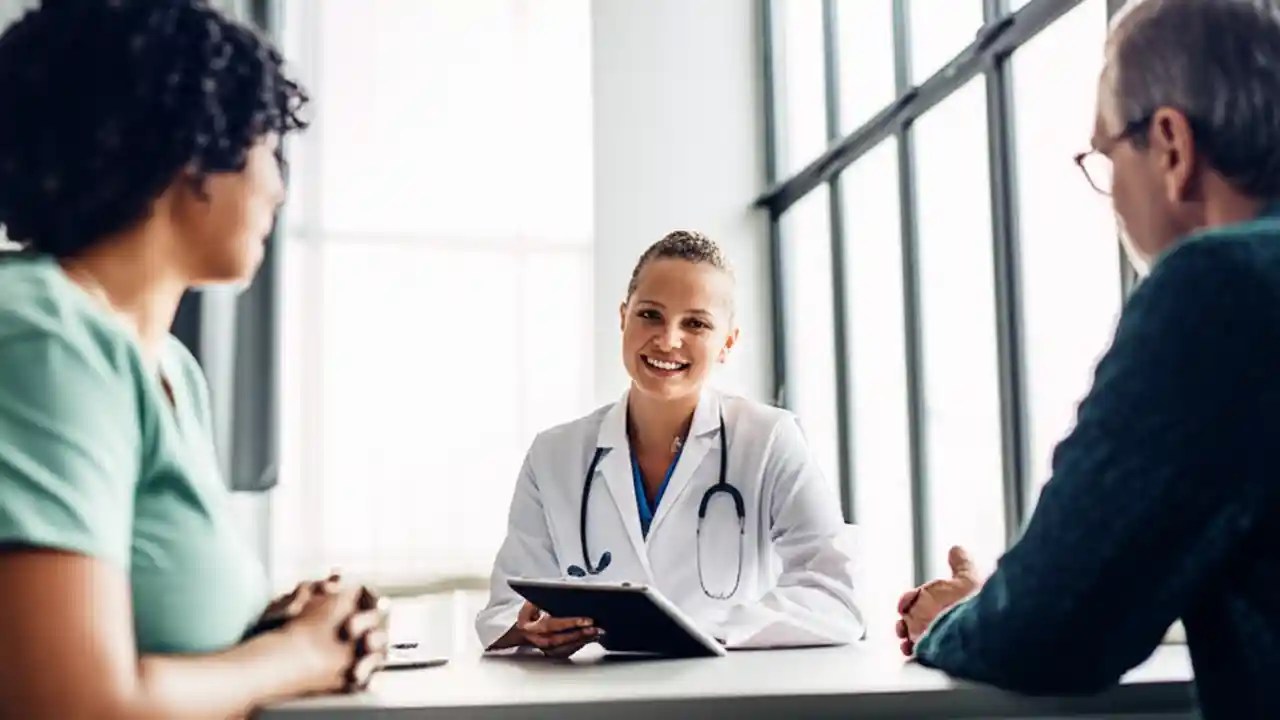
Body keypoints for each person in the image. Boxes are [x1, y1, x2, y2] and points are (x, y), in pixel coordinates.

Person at [0, 1, 387, 717]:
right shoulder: (43, 336)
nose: (276, 187)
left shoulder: (171, 368)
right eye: (268, 147)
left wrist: (282, 631)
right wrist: (298, 656)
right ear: (194, 153)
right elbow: (69, 704)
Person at [894, 1, 1280, 717]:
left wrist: (948, 619)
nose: (1111, 197)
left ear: (1170, 145)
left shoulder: (1217, 286)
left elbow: (1049, 627)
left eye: (1105, 157)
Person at [476, 231, 864, 656]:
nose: (668, 339)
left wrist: (699, 627)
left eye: (695, 323)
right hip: (596, 704)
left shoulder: (769, 440)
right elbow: (508, 604)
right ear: (623, 317)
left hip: (726, 699)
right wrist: (532, 628)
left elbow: (833, 596)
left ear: (727, 343)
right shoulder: (553, 455)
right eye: (650, 315)